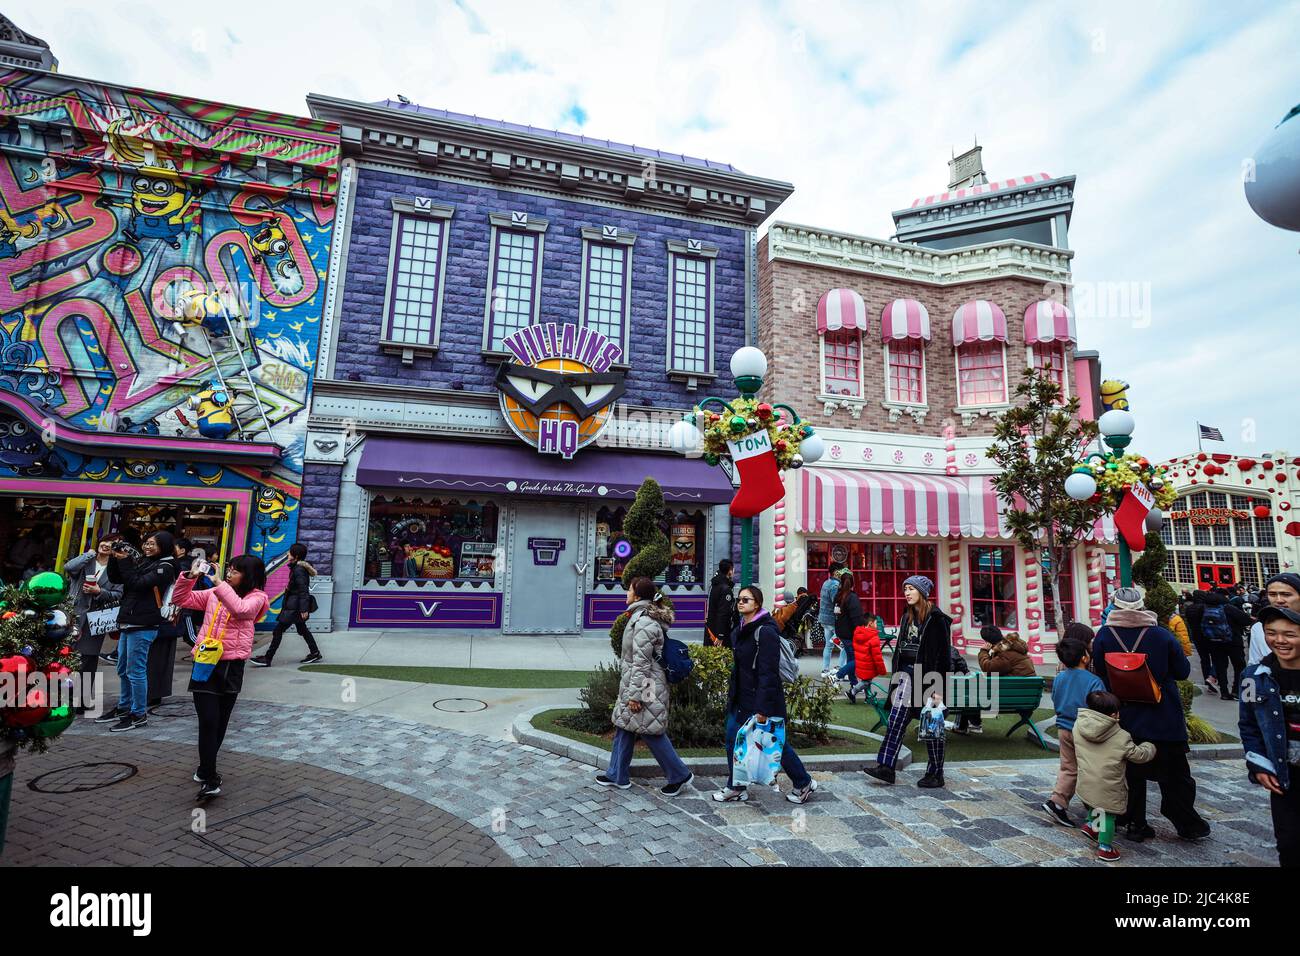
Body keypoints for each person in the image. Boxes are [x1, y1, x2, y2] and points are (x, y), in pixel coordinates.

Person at [1090, 586, 1210, 842]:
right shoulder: (1161, 635)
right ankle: (1185, 820)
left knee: (1131, 773)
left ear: (1115, 605)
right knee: (1176, 772)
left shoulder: (1104, 635)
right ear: (1143, 605)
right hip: (1162, 712)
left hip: (1126, 714)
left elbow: (1101, 671)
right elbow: (1182, 671)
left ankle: (1135, 822)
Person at [171, 554, 270, 799]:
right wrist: (189, 577)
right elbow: (180, 599)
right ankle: (211, 776)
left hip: (231, 665)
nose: (228, 574)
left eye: (235, 571)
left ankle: (206, 768)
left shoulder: (258, 597)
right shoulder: (216, 593)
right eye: (229, 569)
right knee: (208, 720)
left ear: (249, 575)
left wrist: (218, 584)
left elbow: (241, 610)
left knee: (220, 721)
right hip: (206, 662)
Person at [712, 586, 817, 805]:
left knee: (775, 743)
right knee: (733, 739)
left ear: (757, 604)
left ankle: (803, 781)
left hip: (761, 699)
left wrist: (762, 708)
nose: (740, 602)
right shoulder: (742, 627)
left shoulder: (766, 631)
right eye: (739, 599)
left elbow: (768, 672)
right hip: (741, 697)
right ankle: (736, 787)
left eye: (746, 600)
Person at [595, 576, 693, 796]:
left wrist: (636, 695)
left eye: (629, 590)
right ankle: (617, 774)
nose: (626, 593)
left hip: (647, 683)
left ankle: (679, 774)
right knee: (625, 724)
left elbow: (642, 662)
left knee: (650, 729)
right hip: (640, 680)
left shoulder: (644, 621)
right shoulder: (640, 616)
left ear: (637, 595)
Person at [863, 576, 952, 787]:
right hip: (905, 677)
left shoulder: (937, 619)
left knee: (932, 726)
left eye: (911, 589)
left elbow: (943, 657)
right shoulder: (907, 616)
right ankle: (886, 767)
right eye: (905, 589)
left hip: (928, 679)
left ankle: (936, 773)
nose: (907, 593)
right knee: (895, 721)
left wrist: (938, 690)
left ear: (922, 592)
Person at [94, 531, 179, 732]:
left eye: (153, 544)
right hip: (130, 620)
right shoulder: (146, 561)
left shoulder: (165, 567)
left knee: (136, 671)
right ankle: (124, 708)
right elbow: (118, 577)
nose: (147, 547)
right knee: (123, 668)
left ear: (164, 546)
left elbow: (137, 584)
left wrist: (125, 563)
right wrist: (116, 559)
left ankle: (138, 714)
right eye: (146, 543)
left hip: (144, 623)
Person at [1238, 605, 1300, 867]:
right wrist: (1258, 763)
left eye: (1290, 634)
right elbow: (1248, 724)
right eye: (1271, 633)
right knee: (1289, 842)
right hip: (1285, 774)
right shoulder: (1253, 678)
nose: (1280, 640)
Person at [1075, 690, 1157, 862]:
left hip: (1087, 777)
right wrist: (1150, 746)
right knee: (1108, 814)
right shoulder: (1121, 736)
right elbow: (1139, 755)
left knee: (1093, 800)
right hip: (1108, 784)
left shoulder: (1079, 725)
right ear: (1114, 714)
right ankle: (1105, 847)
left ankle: (1091, 825)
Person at [1042, 636, 1105, 827]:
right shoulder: (1094, 681)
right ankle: (1095, 815)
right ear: (1085, 657)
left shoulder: (1060, 678)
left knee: (1068, 767)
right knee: (1091, 770)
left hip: (1063, 728)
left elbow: (1055, 698)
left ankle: (1058, 801)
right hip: (1084, 731)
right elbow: (1100, 707)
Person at [64, 537, 123, 711]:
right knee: (68, 656)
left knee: (88, 660)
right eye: (104, 541)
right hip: (74, 615)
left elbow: (118, 594)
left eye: (111, 544)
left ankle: (81, 701)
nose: (106, 545)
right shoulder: (86, 561)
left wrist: (99, 591)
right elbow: (69, 567)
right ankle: (63, 698)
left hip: (96, 619)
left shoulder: (116, 570)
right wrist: (88, 555)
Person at [251, 543, 323, 666]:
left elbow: (303, 590)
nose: (288, 554)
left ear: (296, 555)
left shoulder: (299, 570)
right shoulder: (297, 568)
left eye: (290, 553)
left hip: (294, 608)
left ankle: (268, 658)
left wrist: (304, 609)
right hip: (294, 606)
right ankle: (315, 652)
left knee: (278, 631)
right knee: (303, 630)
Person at [1193, 588, 1252, 700]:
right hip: (1233, 641)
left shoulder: (1203, 609)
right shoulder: (1228, 608)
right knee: (1239, 666)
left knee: (1220, 666)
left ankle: (1224, 692)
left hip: (1214, 642)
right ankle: (1236, 690)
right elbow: (1246, 620)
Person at [1248, 573, 1300, 666]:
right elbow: (1255, 661)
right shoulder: (1258, 628)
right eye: (1272, 594)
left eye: (1286, 594)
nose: (1279, 600)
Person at [832, 569, 865, 684]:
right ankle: (838, 675)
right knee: (858, 659)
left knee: (851, 657)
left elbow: (836, 614)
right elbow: (857, 619)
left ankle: (853, 682)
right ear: (853, 584)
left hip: (842, 632)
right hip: (851, 634)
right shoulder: (851, 598)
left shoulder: (838, 596)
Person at [844, 616, 887, 704]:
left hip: (861, 663)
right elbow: (877, 656)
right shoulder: (873, 637)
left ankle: (868, 697)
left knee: (867, 681)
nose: (877, 625)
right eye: (875, 623)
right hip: (868, 664)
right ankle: (852, 692)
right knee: (866, 682)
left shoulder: (858, 633)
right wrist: (882, 670)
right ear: (870, 623)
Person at [949, 645, 982, 735]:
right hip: (953, 694)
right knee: (969, 693)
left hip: (933, 693)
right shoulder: (952, 650)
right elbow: (964, 669)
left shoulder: (926, 650)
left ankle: (965, 725)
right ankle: (975, 723)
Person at [818, 562, 843, 677]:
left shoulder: (825, 583)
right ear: (836, 572)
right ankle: (842, 670)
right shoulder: (835, 585)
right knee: (845, 646)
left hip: (824, 619)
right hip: (832, 620)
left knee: (828, 646)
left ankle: (825, 670)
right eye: (841, 571)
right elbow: (836, 602)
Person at [705, 559, 737, 646]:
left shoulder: (714, 585)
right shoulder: (726, 590)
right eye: (733, 569)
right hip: (719, 632)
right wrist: (720, 635)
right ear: (729, 571)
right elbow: (723, 613)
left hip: (711, 628)